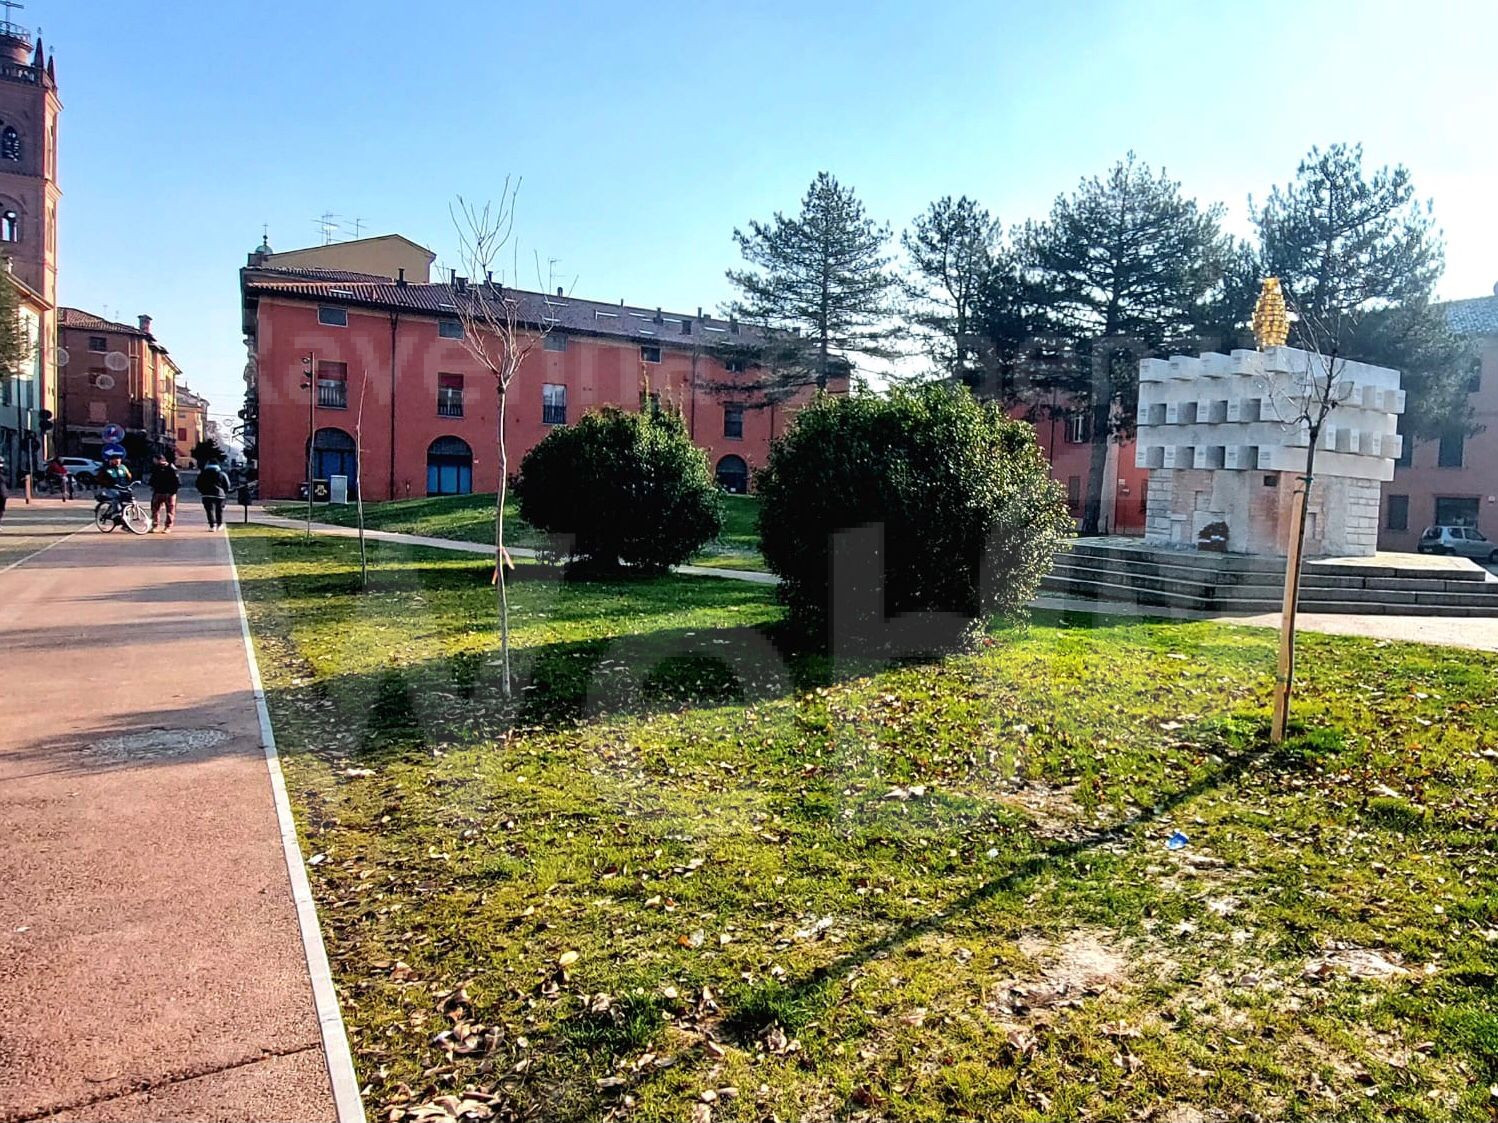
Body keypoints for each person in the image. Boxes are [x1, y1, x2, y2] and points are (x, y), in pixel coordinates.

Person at [148, 453, 180, 533]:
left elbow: (177, 481)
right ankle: (155, 526)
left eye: (155, 460)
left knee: (170, 510)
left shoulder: (171, 468)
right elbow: (153, 478)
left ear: (160, 460)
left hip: (169, 493)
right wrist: (152, 485)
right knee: (155, 510)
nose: (154, 461)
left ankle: (168, 527)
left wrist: (173, 492)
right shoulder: (156, 468)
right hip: (158, 492)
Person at [196, 459, 230, 530]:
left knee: (209, 510)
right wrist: (224, 492)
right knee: (219, 510)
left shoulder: (203, 474)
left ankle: (212, 526)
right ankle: (219, 524)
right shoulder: (222, 474)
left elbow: (198, 484)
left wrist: (202, 491)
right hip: (219, 495)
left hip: (207, 494)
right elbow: (227, 485)